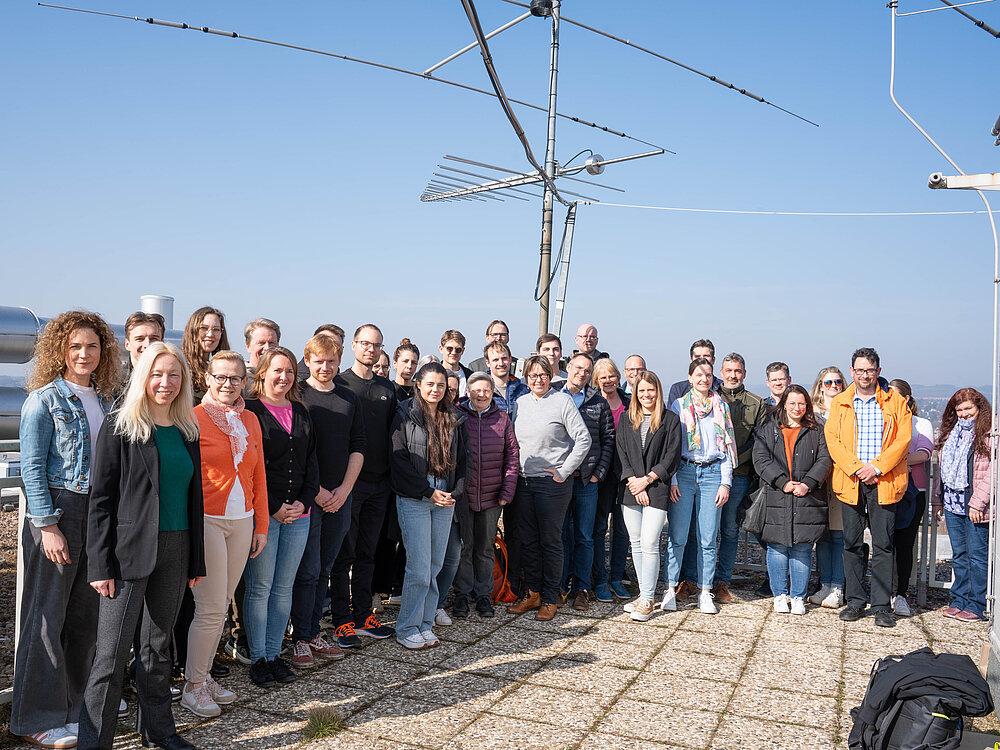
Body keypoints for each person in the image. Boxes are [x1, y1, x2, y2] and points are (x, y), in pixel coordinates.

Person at [78, 342, 204, 750]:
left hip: (176, 548)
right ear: (142, 377)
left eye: (173, 375)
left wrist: (195, 560)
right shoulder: (122, 426)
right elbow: (100, 502)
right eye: (156, 374)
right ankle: (94, 742)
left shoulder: (188, 430)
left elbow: (193, 499)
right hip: (127, 554)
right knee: (110, 657)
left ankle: (159, 731)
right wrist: (99, 566)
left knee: (157, 648)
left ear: (183, 380)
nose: (164, 383)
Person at [14, 311, 120, 749]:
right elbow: (32, 470)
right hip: (58, 514)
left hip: (96, 516)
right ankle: (34, 718)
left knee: (85, 621)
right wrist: (48, 526)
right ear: (60, 349)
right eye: (75, 345)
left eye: (91, 346)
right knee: (45, 620)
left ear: (102, 352)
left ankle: (74, 712)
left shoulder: (107, 400)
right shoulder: (43, 400)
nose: (83, 353)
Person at [184, 351, 269, 716]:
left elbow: (259, 474)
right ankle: (192, 685)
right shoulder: (192, 418)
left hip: (243, 520)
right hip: (207, 520)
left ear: (245, 381)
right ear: (206, 378)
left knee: (220, 609)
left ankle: (202, 677)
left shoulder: (250, 419)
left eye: (235, 378)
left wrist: (261, 524)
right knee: (211, 608)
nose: (228, 384)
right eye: (220, 377)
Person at [242, 347, 319, 686]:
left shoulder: (301, 412)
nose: (284, 377)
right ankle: (258, 658)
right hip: (265, 514)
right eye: (277, 370)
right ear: (262, 374)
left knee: (283, 587)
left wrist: (303, 502)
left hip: (299, 515)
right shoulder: (250, 411)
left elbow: (311, 464)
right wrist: (273, 506)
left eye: (289, 371)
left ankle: (275, 654)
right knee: (260, 587)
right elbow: (250, 467)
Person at [289, 334, 365, 667]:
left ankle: (313, 631)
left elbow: (358, 447)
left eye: (331, 361)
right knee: (308, 569)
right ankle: (299, 639)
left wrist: (344, 490)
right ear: (307, 360)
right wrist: (317, 492)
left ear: (339, 361)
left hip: (341, 495)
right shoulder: (298, 397)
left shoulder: (348, 398)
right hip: (309, 496)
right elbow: (296, 451)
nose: (325, 367)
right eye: (318, 361)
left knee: (327, 568)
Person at [825, 347, 911, 628]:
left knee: (884, 545)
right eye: (859, 370)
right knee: (851, 543)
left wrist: (875, 468)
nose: (864, 375)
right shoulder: (840, 402)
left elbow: (902, 441)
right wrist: (856, 468)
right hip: (851, 481)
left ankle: (881, 606)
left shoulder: (895, 402)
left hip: (883, 481)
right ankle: (856, 601)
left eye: (869, 370)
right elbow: (833, 440)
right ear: (852, 372)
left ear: (878, 371)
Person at [390, 362, 469, 649]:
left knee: (435, 565)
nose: (436, 390)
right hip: (416, 497)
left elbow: (464, 461)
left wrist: (455, 493)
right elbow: (398, 460)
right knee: (419, 567)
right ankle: (406, 627)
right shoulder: (404, 414)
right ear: (419, 385)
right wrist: (426, 491)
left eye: (441, 385)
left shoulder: (454, 417)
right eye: (430, 384)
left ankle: (424, 624)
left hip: (445, 497)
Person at [506, 356, 591, 621]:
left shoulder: (562, 401)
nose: (538, 380)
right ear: (526, 378)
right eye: (532, 375)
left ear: (550, 375)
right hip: (524, 482)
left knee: (551, 541)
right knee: (528, 541)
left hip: (551, 485)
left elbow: (583, 439)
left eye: (543, 374)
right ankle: (533, 594)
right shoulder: (520, 403)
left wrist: (565, 471)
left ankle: (551, 597)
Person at [330, 324, 398, 647]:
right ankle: (341, 620)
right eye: (365, 344)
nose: (371, 350)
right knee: (344, 554)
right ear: (354, 345)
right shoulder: (340, 384)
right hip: (349, 484)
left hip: (379, 483)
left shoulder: (388, 388)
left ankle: (363, 614)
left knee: (368, 552)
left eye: (377, 345)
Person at [663, 358, 737, 615]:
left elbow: (727, 447)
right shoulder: (679, 405)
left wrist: (725, 482)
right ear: (690, 377)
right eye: (698, 375)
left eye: (707, 375)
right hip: (683, 472)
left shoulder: (721, 407)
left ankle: (705, 592)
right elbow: (672, 446)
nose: (703, 379)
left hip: (712, 473)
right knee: (678, 536)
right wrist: (671, 478)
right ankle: (670, 588)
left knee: (708, 539)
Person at [753, 385, 832, 615]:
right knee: (776, 548)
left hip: (808, 496)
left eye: (801, 403)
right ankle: (779, 595)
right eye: (792, 403)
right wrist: (782, 481)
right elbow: (760, 459)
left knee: (802, 548)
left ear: (806, 405)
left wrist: (808, 482)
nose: (797, 408)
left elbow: (825, 459)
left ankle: (797, 596)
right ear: (784, 404)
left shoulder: (817, 430)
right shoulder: (770, 428)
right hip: (777, 494)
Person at [616, 371, 682, 621]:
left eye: (650, 390)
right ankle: (645, 596)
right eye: (641, 390)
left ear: (658, 391)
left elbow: (672, 456)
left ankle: (647, 598)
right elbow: (621, 453)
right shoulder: (626, 419)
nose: (646, 395)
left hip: (656, 487)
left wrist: (647, 480)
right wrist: (634, 481)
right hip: (631, 487)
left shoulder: (670, 420)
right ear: (636, 393)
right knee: (635, 543)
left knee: (650, 542)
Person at [452, 373, 519, 618]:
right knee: (464, 546)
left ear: (493, 392)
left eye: (486, 390)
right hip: (464, 495)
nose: (481, 394)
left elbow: (512, 456)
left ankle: (483, 595)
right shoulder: (458, 416)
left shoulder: (502, 419)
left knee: (485, 548)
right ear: (467, 391)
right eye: (476, 390)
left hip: (492, 496)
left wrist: (507, 489)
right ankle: (461, 594)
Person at [932, 388, 992, 622]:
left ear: (979, 408)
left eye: (968, 408)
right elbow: (941, 470)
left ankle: (977, 603)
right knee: (960, 555)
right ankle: (959, 599)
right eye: (959, 410)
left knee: (977, 556)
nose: (964, 414)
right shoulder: (951, 434)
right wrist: (938, 499)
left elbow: (992, 473)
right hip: (953, 502)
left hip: (976, 505)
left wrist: (978, 503)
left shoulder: (989, 433)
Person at [560, 353, 615, 610]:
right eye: (577, 368)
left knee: (584, 536)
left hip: (586, 481)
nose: (581, 373)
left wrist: (597, 474)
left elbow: (607, 442)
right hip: (558, 480)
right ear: (568, 368)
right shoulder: (553, 397)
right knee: (559, 536)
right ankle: (560, 586)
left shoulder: (598, 402)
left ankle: (582, 588)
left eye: (586, 370)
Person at [714, 353, 766, 603]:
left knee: (729, 530)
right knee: (704, 531)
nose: (733, 375)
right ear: (721, 372)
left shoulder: (756, 404)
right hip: (709, 474)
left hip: (738, 475)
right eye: (728, 370)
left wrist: (734, 462)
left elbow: (759, 441)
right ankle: (695, 580)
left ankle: (722, 581)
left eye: (737, 371)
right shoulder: (710, 397)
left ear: (744, 373)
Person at [888, 378, 933, 617]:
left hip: (914, 491)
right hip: (887, 489)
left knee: (904, 545)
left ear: (906, 398)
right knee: (884, 544)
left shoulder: (921, 423)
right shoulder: (884, 421)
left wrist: (892, 462)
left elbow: (924, 454)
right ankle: (883, 591)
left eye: (894, 395)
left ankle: (900, 593)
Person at [807, 366, 848, 609]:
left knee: (840, 535)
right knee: (822, 536)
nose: (833, 386)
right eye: (828, 382)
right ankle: (824, 583)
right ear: (820, 385)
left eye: (837, 382)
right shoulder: (812, 413)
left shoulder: (849, 410)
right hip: (819, 481)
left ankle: (838, 586)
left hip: (842, 479)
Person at [590, 358, 631, 600]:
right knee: (598, 528)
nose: (608, 380)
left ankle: (617, 577)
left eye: (611, 375)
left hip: (625, 475)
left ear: (618, 377)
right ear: (596, 380)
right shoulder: (593, 402)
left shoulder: (628, 402)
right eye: (602, 377)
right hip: (601, 475)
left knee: (622, 530)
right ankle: (599, 579)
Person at [181, 306, 230, 402]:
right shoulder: (181, 366)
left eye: (216, 329)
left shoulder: (221, 369)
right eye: (204, 328)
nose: (210, 334)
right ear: (193, 330)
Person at [666, 339, 723, 406]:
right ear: (691, 360)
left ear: (713, 360)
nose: (701, 359)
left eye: (706, 356)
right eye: (697, 356)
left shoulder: (722, 388)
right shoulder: (678, 389)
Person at [485, 341, 528, 415]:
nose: (501, 363)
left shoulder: (524, 391)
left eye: (504, 358)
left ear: (510, 359)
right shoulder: (480, 392)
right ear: (488, 363)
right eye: (495, 360)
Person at [439, 329, 473, 397]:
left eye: (458, 350)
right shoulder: (432, 374)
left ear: (462, 351)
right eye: (449, 349)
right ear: (441, 349)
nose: (453, 352)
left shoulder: (470, 376)